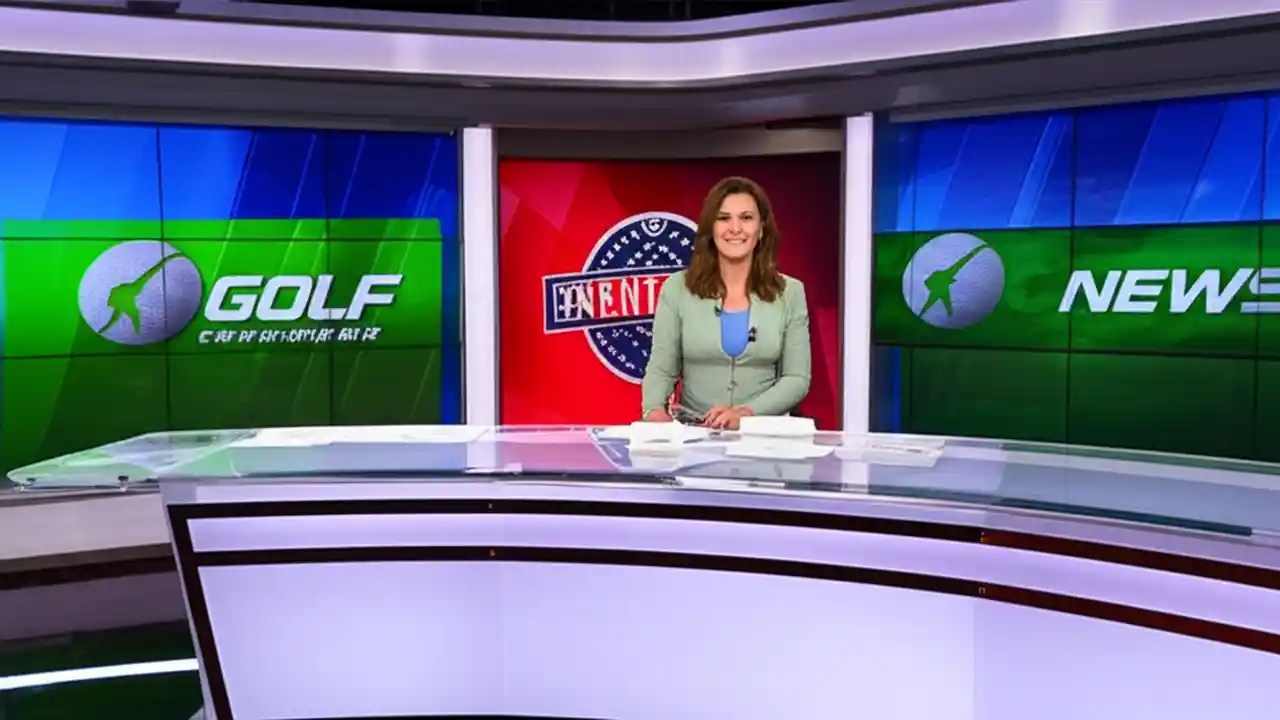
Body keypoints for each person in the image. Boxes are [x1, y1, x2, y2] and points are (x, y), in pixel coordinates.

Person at [641, 176, 811, 430]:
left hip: (764, 437)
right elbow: (661, 369)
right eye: (724, 218)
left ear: (761, 228)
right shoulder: (677, 289)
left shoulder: (790, 292)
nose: (735, 228)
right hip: (695, 435)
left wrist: (746, 414)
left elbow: (797, 378)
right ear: (711, 229)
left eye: (746, 218)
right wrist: (654, 413)